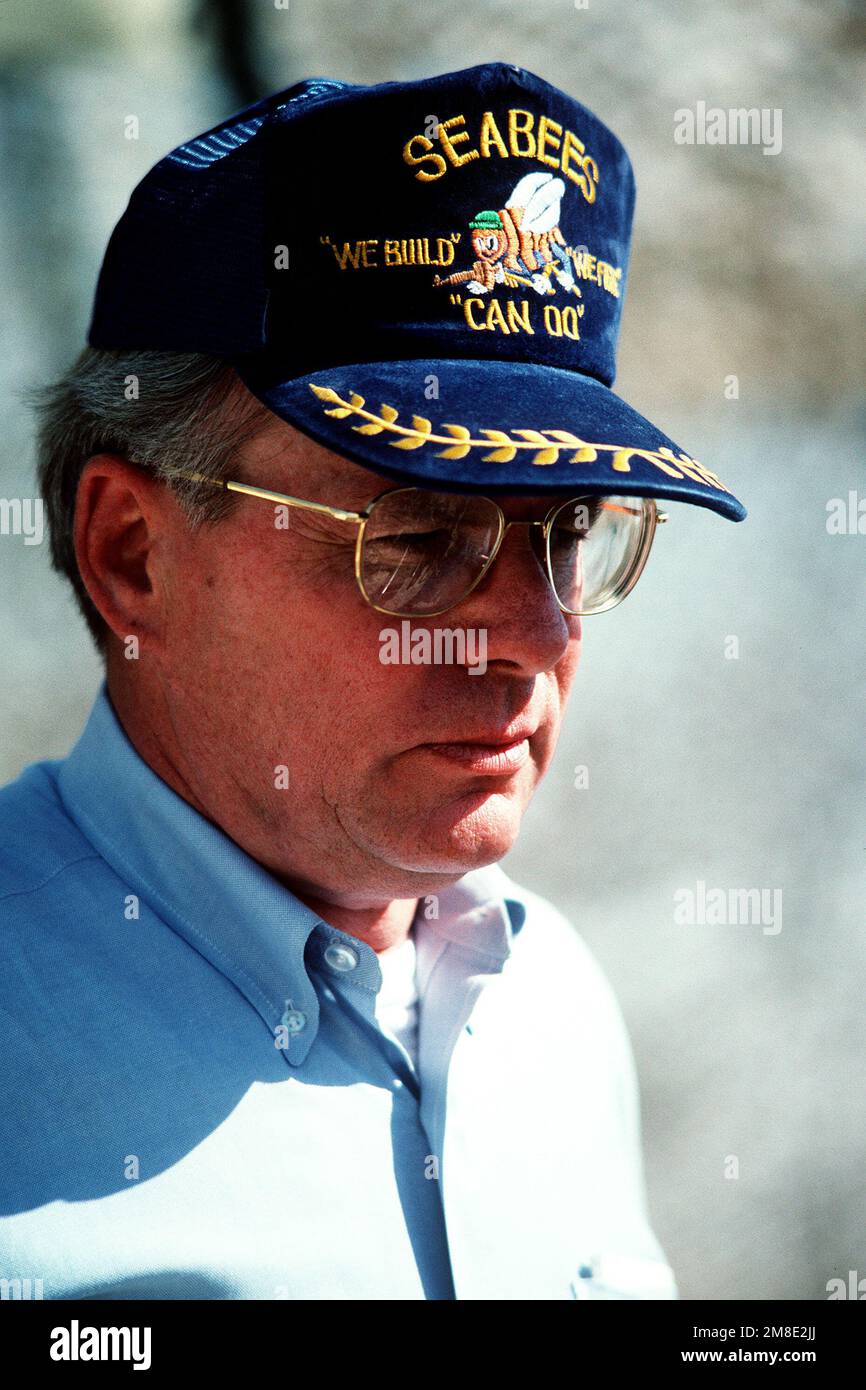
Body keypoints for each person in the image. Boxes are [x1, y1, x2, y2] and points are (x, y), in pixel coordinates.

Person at [0, 62, 745, 1300]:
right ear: (133, 554)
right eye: (412, 539)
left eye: (564, 533)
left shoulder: (548, 998)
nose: (528, 630)